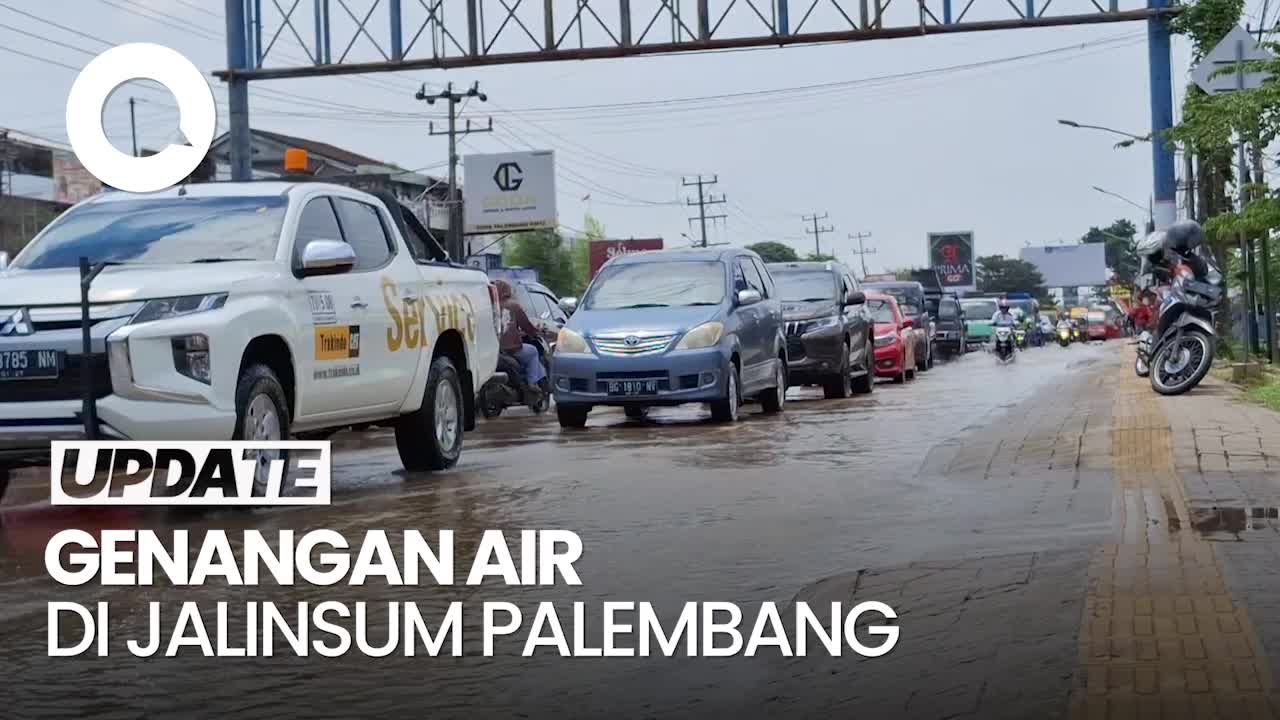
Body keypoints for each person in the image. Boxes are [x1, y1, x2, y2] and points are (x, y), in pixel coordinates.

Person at [494, 280, 547, 392]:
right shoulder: (514, 306)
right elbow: (526, 326)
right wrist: (535, 332)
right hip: (511, 350)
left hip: (494, 350)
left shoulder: (489, 307)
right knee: (533, 351)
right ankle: (532, 382)